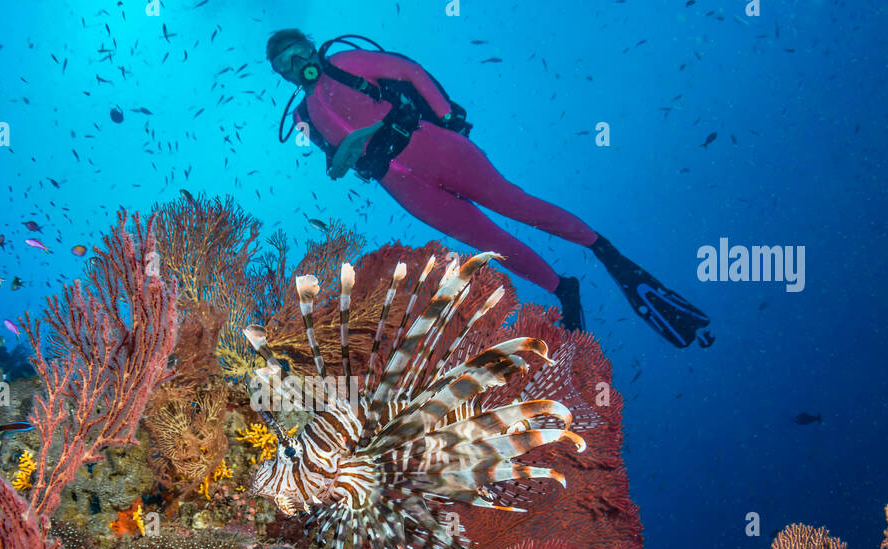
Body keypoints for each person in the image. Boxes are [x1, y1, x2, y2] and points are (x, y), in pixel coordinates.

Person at [267, 29, 714, 348]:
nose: (295, 63)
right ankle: (563, 289)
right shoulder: (303, 117)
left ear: (311, 45)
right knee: (487, 242)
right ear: (281, 74)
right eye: (284, 62)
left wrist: (446, 117)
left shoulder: (345, 65)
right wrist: (342, 164)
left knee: (510, 202)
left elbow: (409, 71)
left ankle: (606, 252)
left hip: (429, 144)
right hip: (400, 184)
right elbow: (336, 161)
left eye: (297, 50)